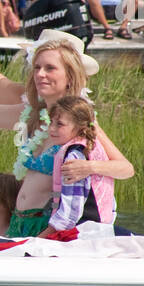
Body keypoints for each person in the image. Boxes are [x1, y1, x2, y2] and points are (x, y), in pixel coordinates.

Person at [0, 0, 133, 239]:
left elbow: (125, 168)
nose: (40, 74)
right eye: (37, 67)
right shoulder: (31, 114)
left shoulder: (80, 120)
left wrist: (88, 166)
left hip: (48, 227)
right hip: (19, 222)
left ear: (70, 75)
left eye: (50, 68)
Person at [45, 95, 116, 234]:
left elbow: (69, 214)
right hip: (101, 230)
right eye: (50, 122)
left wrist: (40, 239)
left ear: (79, 127)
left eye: (59, 124)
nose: (51, 129)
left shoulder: (74, 157)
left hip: (81, 234)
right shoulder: (93, 149)